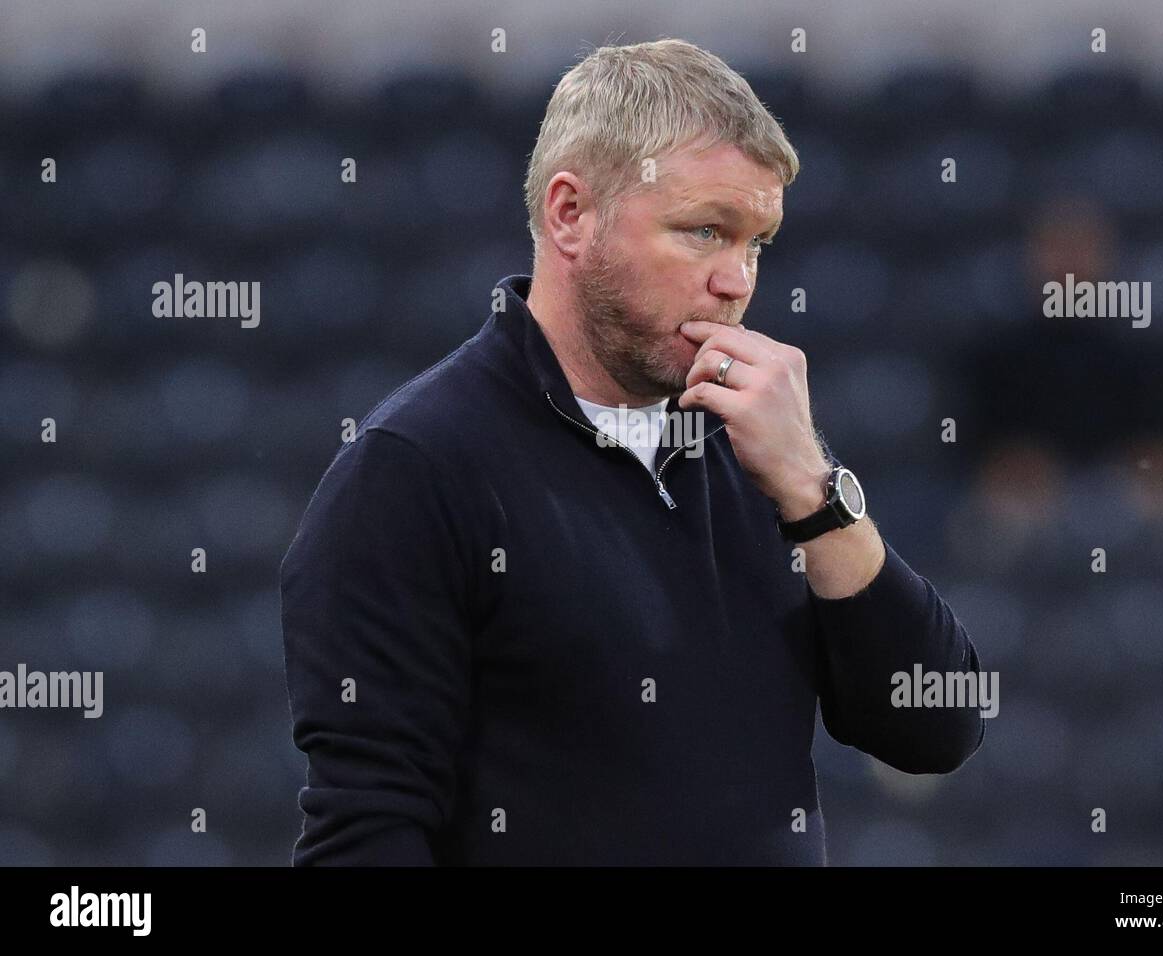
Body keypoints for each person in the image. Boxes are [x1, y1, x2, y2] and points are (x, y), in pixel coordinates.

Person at [281, 37, 985, 866]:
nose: (737, 281)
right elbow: (366, 835)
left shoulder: (759, 455)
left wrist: (814, 490)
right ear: (570, 214)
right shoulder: (414, 469)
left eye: (755, 242)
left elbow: (935, 726)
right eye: (704, 232)